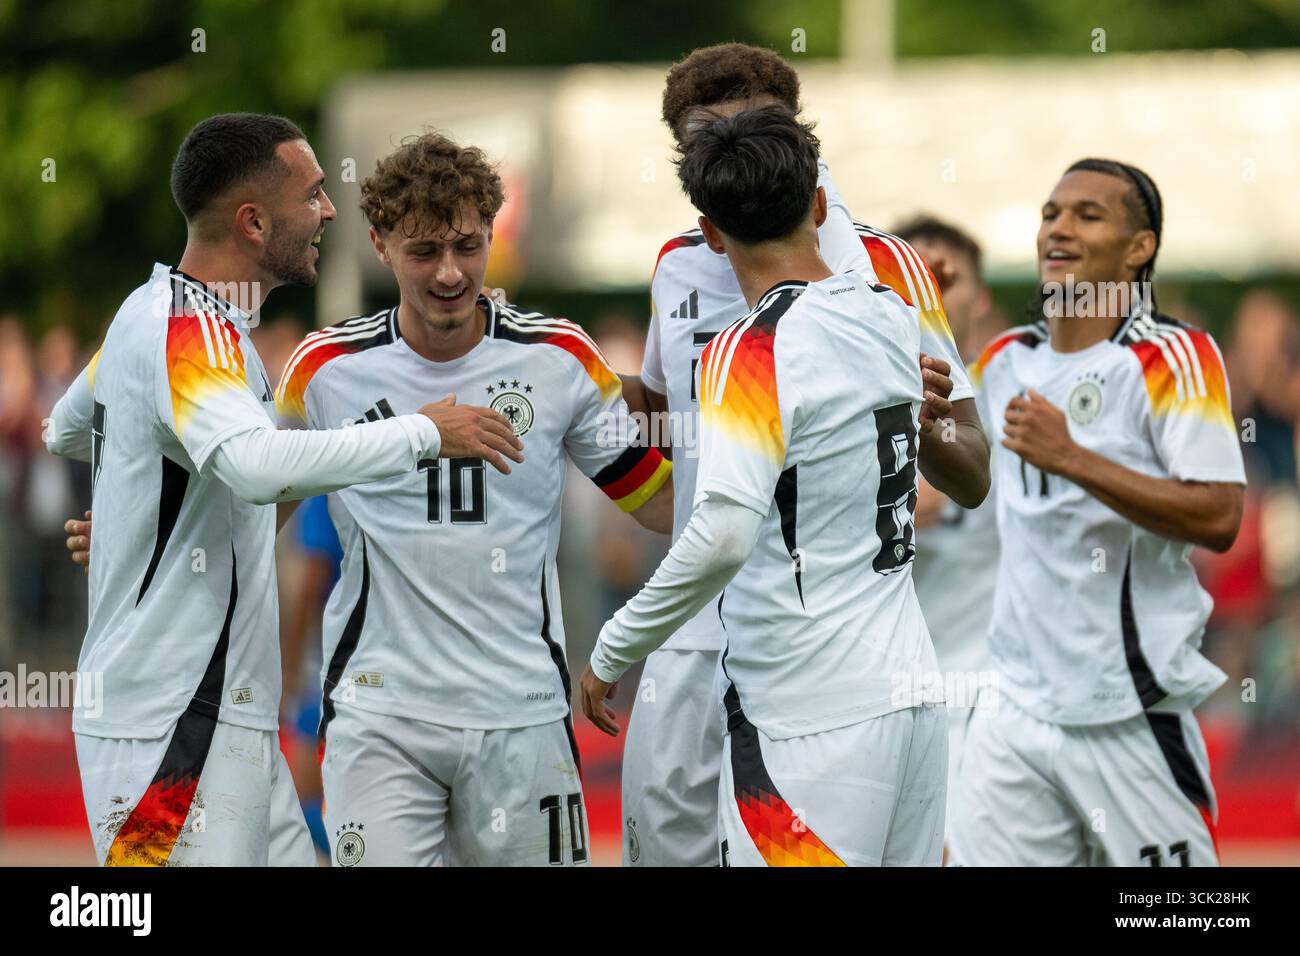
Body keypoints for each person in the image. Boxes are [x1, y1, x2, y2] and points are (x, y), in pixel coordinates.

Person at [43, 113, 522, 866]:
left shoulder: (162, 311)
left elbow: (69, 429)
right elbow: (257, 467)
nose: (330, 210)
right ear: (255, 221)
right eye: (314, 194)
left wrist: (140, 517)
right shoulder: (187, 329)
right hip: (172, 726)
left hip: (226, 722)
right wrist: (426, 433)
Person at [582, 104, 989, 867]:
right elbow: (959, 463)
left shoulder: (749, 350)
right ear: (820, 204)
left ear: (709, 230)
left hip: (810, 721)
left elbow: (723, 535)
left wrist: (613, 647)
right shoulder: (891, 315)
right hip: (911, 695)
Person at [273, 132, 673, 866]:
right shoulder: (324, 370)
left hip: (522, 717)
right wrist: (138, 529)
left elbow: (660, 506)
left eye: (467, 245)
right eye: (424, 251)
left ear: (492, 234)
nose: (451, 272)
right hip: (379, 716)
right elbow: (249, 501)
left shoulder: (559, 359)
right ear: (381, 245)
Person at [949, 159, 1246, 866]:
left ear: (1139, 247)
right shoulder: (1000, 360)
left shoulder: (1173, 356)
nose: (1059, 227)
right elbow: (959, 481)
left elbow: (1219, 515)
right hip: (1012, 708)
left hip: (1126, 712)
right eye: (1052, 212)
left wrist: (1074, 457)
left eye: (1088, 215)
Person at [893, 216, 1005, 843]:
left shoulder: (1014, 396)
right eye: (915, 278)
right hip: (878, 692)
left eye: (945, 279)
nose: (928, 297)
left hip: (984, 693)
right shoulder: (851, 393)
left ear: (980, 298)